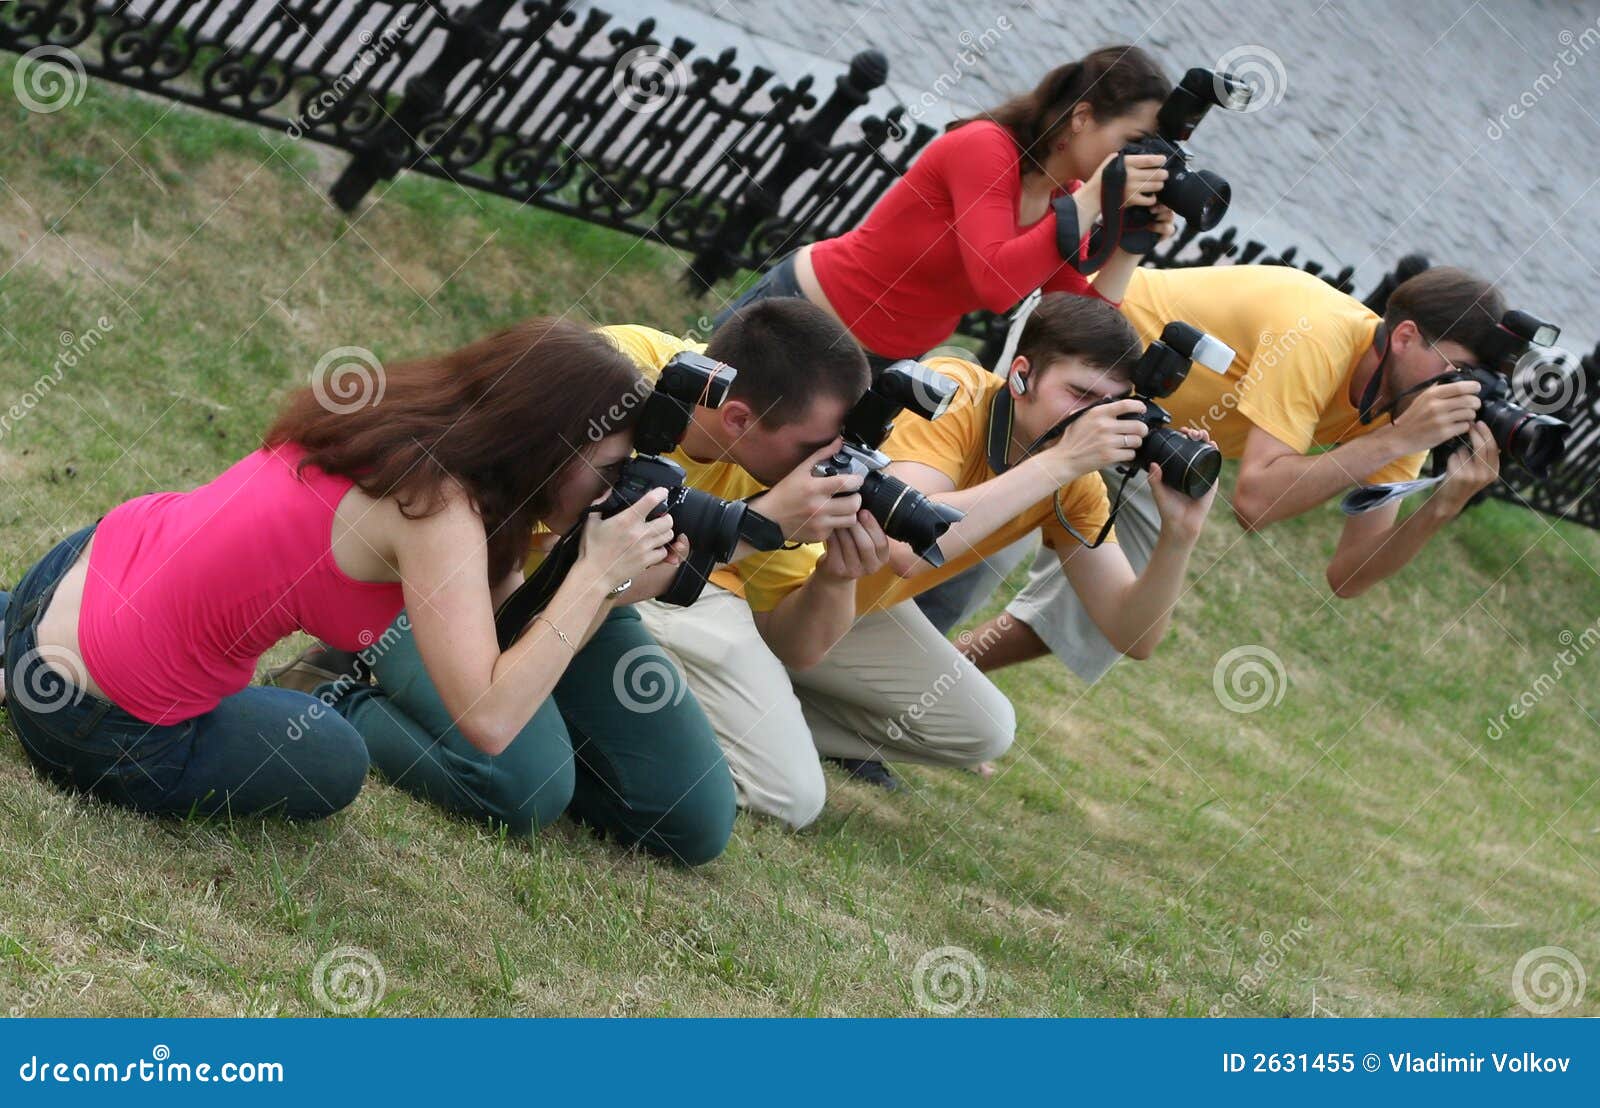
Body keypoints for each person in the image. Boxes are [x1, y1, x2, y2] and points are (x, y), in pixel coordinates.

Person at [1, 319, 736, 866]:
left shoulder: (405, 420)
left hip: (75, 571)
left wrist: (607, 582)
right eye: (607, 468)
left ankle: (16, 653)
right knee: (330, 756)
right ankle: (36, 686)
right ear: (546, 445)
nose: (613, 488)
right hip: (98, 719)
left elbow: (510, 614)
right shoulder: (438, 510)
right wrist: (593, 577)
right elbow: (489, 720)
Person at [276, 299, 888, 833]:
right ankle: (334, 689)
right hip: (449, 580)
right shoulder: (622, 377)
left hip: (582, 599)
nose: (829, 467)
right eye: (817, 449)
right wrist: (754, 527)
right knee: (518, 786)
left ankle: (535, 744)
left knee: (690, 816)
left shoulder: (774, 471)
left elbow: (797, 645)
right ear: (738, 418)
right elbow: (517, 563)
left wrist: (838, 573)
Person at [953, 264, 1508, 679]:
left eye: (1472, 382)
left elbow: (1350, 573)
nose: (1456, 391)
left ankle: (932, 685)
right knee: (975, 539)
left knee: (1118, 615)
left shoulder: (1401, 409)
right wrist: (1397, 439)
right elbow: (1256, 500)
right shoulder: (1318, 335)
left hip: (1156, 436)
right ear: (1405, 337)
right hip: (1082, 362)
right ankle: (896, 684)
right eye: (1455, 369)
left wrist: (1440, 506)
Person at [776, 293, 1217, 790]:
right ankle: (761, 704)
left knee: (981, 730)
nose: (1092, 419)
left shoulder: (1073, 483)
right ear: (1022, 374)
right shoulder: (956, 389)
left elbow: (1131, 634)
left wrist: (1180, 536)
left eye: (1109, 405)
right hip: (784, 585)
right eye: (1079, 395)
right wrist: (1059, 463)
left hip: (855, 611)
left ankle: (775, 719)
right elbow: (900, 547)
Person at [714, 46, 1175, 365]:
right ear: (1082, 117)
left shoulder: (1062, 194)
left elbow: (1080, 327)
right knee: (684, 439)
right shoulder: (986, 148)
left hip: (880, 365)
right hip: (800, 320)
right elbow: (995, 283)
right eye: (1134, 143)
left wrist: (1129, 248)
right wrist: (1092, 197)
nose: (1141, 159)